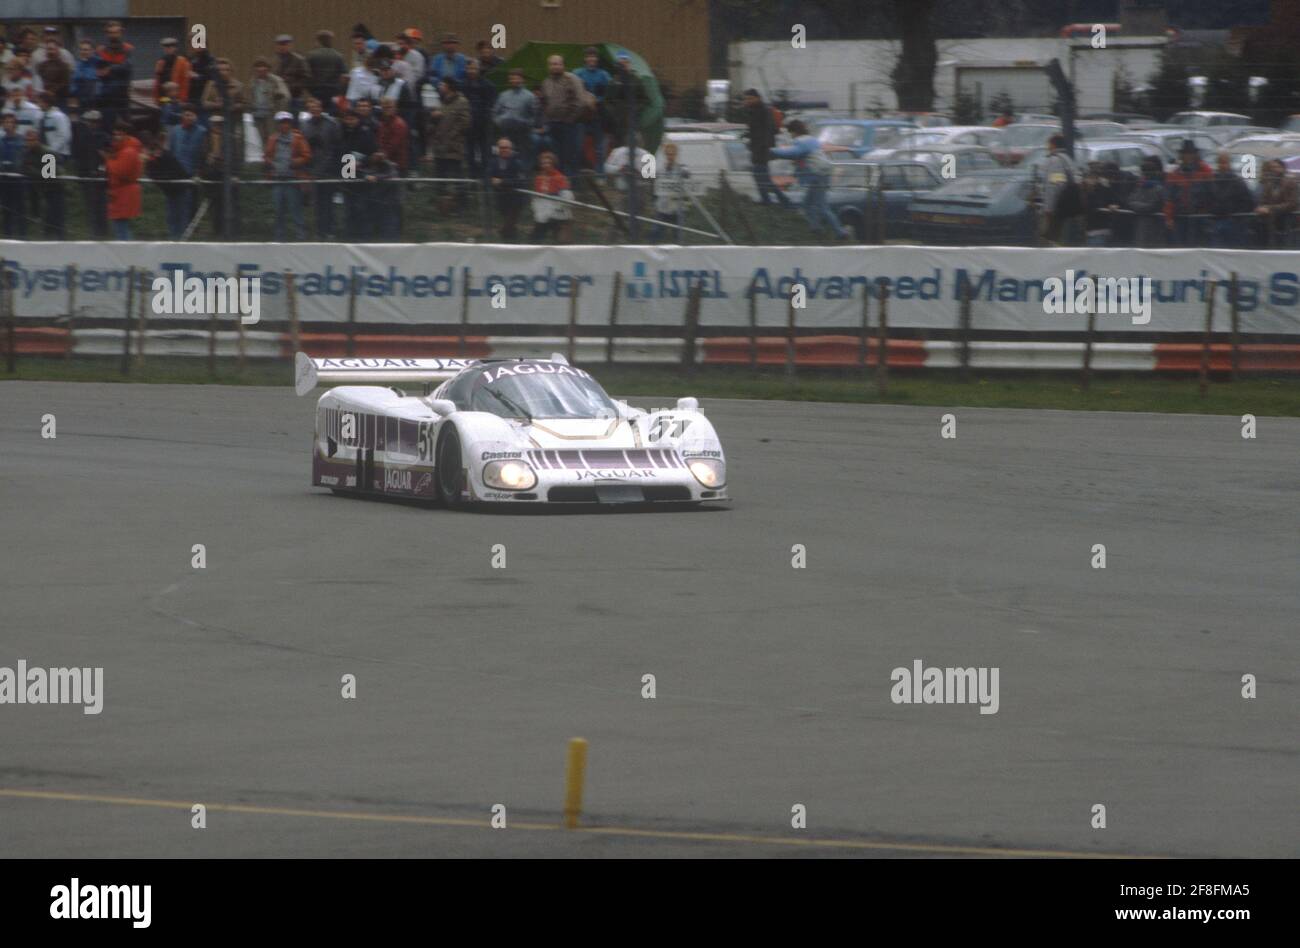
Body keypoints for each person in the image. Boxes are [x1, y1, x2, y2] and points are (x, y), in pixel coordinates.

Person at [771, 118, 846, 240]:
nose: (791, 136)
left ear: (794, 131)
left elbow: (793, 153)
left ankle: (840, 232)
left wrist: (773, 151)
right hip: (822, 173)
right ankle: (815, 228)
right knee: (807, 203)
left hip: (818, 175)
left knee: (821, 205)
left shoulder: (802, 142)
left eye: (791, 133)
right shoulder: (811, 140)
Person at [264, 110, 311, 241]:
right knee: (278, 210)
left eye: (286, 123)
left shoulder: (298, 137)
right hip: (277, 179)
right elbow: (266, 155)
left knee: (295, 209)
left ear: (290, 124)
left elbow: (306, 155)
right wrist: (270, 163)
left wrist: (296, 162)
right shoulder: (272, 138)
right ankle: (279, 237)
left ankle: (301, 236)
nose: (284, 125)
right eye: (281, 123)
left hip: (293, 179)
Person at [742, 88, 789, 207]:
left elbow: (768, 131)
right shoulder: (752, 110)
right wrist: (746, 136)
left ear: (758, 98)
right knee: (761, 177)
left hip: (762, 149)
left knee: (761, 176)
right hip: (757, 148)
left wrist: (764, 149)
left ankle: (776, 200)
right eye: (746, 99)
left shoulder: (763, 111)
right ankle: (773, 200)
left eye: (750, 98)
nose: (747, 101)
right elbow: (754, 130)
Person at [302, 97, 340, 238]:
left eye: (317, 107)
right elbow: (303, 147)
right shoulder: (304, 125)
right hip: (312, 170)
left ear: (321, 108)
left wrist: (345, 171)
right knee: (317, 203)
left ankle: (331, 230)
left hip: (329, 169)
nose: (315, 109)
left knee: (329, 202)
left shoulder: (332, 124)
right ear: (309, 110)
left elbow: (338, 147)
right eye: (312, 107)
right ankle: (319, 231)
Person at [1164, 139, 1213, 247]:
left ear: (1195, 155)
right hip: (1180, 218)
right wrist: (1169, 218)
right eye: (1186, 154)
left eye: (1191, 153)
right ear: (1182, 156)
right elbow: (1169, 199)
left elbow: (1211, 195)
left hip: (1199, 219)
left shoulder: (1205, 172)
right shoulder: (1174, 174)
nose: (1188, 156)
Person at [34, 92, 70, 237]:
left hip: (52, 157)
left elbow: (64, 135)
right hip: (45, 157)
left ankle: (57, 227)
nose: (38, 104)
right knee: (47, 189)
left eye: (40, 102)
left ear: (46, 102)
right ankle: (49, 225)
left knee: (53, 189)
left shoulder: (58, 117)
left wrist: (51, 152)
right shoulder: (41, 117)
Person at [430, 78, 470, 209]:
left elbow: (465, 123)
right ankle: (442, 204)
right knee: (440, 175)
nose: (440, 86)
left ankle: (462, 203)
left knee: (457, 176)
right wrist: (435, 117)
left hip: (453, 147)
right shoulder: (442, 101)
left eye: (442, 84)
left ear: (449, 86)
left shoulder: (462, 102)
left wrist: (452, 136)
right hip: (440, 146)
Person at [338, 108, 376, 240]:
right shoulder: (342, 133)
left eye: (352, 119)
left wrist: (361, 162)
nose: (349, 122)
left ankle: (365, 238)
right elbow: (338, 154)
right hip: (347, 178)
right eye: (347, 119)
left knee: (362, 210)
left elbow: (373, 154)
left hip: (362, 179)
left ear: (358, 119)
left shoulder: (366, 133)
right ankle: (349, 238)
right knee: (349, 211)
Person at [603, 132, 650, 238]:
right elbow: (606, 167)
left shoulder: (645, 154)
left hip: (639, 190)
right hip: (621, 190)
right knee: (617, 215)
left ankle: (635, 239)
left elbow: (652, 174)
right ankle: (612, 238)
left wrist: (639, 173)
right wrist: (620, 169)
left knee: (637, 217)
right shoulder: (617, 152)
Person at [144, 134, 191, 238]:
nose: (155, 153)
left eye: (157, 150)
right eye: (152, 151)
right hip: (169, 192)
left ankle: (183, 238)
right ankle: (173, 237)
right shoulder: (151, 163)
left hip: (180, 189)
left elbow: (178, 173)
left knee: (181, 215)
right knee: (171, 216)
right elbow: (152, 175)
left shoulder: (169, 157)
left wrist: (162, 178)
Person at [71, 108, 109, 236]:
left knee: (101, 208)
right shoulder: (82, 137)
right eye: (90, 121)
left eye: (95, 121)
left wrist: (102, 171)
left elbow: (107, 157)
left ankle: (103, 233)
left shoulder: (104, 137)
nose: (92, 124)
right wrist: (81, 175)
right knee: (91, 207)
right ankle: (94, 234)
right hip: (87, 176)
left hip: (101, 178)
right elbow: (78, 156)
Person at [1205, 151, 1255, 248]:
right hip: (1217, 221)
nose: (1222, 165)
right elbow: (1207, 199)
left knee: (1234, 251)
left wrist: (1237, 215)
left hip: (1234, 223)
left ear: (1229, 164)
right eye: (1220, 163)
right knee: (1217, 251)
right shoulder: (1212, 181)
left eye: (1225, 163)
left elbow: (1248, 201)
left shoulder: (1238, 181)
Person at [1038, 133, 1080, 246]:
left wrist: (1048, 208)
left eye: (1049, 144)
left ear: (1053, 145)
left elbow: (1055, 184)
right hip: (1065, 206)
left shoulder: (1055, 161)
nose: (1047, 147)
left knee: (1050, 240)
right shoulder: (1067, 159)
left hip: (1056, 209)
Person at [103, 120, 142, 240]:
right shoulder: (123, 150)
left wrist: (108, 161)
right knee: (121, 227)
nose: (116, 137)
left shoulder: (128, 152)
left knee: (121, 229)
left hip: (124, 193)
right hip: (121, 192)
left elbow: (121, 172)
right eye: (115, 134)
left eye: (119, 134)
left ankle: (127, 254)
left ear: (126, 135)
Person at [574, 47, 611, 171]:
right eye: (589, 56)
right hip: (581, 116)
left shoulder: (604, 75)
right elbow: (572, 91)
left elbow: (610, 94)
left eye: (594, 56)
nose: (591, 59)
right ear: (585, 58)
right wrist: (586, 98)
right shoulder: (577, 73)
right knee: (578, 145)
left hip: (598, 116)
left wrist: (596, 100)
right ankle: (578, 173)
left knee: (599, 148)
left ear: (597, 59)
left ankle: (600, 173)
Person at [493, 68, 537, 169]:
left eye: (517, 78)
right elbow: (495, 112)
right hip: (505, 130)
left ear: (522, 80)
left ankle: (523, 179)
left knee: (522, 157)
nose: (514, 81)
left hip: (522, 131)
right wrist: (499, 122)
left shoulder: (530, 96)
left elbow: (534, 114)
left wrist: (528, 125)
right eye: (512, 79)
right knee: (506, 156)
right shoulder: (503, 95)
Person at [604, 50, 647, 153]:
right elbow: (607, 101)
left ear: (630, 64)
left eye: (626, 62)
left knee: (634, 147)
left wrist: (636, 109)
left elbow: (644, 99)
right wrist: (614, 113)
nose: (624, 65)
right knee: (619, 149)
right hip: (618, 124)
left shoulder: (636, 80)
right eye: (621, 63)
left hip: (632, 122)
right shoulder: (613, 81)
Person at [95, 21, 133, 132]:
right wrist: (117, 68)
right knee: (106, 126)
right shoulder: (101, 50)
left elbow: (127, 67)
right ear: (107, 34)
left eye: (116, 32)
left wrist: (110, 68)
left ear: (121, 33)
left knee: (126, 126)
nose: (114, 35)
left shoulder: (128, 49)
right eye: (111, 32)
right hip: (106, 96)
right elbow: (100, 71)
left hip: (122, 94)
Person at [462, 58, 497, 179]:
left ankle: (486, 177)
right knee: (470, 153)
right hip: (469, 124)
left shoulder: (488, 85)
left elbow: (490, 105)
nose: (472, 71)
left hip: (483, 124)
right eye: (469, 68)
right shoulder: (463, 85)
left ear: (479, 69)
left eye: (474, 68)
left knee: (485, 152)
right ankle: (472, 177)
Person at [649, 140, 690, 243]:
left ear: (676, 154)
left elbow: (687, 174)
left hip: (677, 207)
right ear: (665, 155)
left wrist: (684, 172)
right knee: (655, 232)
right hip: (662, 207)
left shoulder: (682, 167)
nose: (670, 156)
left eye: (672, 154)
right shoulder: (660, 169)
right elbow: (655, 186)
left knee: (678, 236)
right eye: (668, 154)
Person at [487, 137, 526, 240]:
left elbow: (521, 181)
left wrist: (502, 181)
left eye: (506, 147)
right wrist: (491, 180)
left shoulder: (518, 162)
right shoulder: (493, 162)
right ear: (497, 149)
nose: (504, 150)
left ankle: (507, 240)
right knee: (510, 225)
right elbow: (487, 176)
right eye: (501, 147)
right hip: (501, 198)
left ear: (511, 148)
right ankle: (512, 242)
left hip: (516, 198)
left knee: (508, 224)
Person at [1126, 155, 1168, 248]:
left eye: (1147, 172)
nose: (1145, 175)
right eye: (1144, 172)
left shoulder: (1159, 188)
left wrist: (1140, 207)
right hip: (1141, 227)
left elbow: (1154, 205)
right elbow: (1131, 201)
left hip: (1156, 228)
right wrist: (1143, 207)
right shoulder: (1139, 186)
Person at [1255, 158, 1298, 248]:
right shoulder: (1269, 184)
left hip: (1286, 222)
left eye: (1276, 167)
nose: (1274, 169)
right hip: (1271, 224)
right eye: (1272, 167)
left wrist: (1270, 209)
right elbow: (1263, 200)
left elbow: (1292, 204)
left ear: (1283, 168)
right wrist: (1260, 208)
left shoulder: (1291, 183)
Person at [530, 150, 571, 242]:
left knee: (560, 239)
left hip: (557, 212)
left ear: (553, 163)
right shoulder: (538, 178)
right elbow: (536, 196)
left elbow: (566, 196)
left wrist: (558, 208)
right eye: (543, 163)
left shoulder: (560, 177)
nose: (546, 165)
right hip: (542, 211)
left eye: (549, 163)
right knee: (536, 237)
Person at [248, 57, 290, 145]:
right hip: (257, 113)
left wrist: (279, 111)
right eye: (258, 66)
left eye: (263, 66)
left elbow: (285, 96)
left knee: (273, 137)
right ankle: (266, 156)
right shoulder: (253, 81)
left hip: (271, 114)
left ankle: (275, 156)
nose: (261, 69)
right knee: (262, 139)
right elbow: (251, 96)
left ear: (268, 68)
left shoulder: (276, 80)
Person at [362, 149, 400, 239]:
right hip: (375, 200)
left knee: (389, 224)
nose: (375, 157)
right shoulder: (369, 164)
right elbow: (359, 172)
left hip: (388, 201)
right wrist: (366, 176)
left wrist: (376, 177)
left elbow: (392, 175)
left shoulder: (388, 165)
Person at [306, 30, 346, 111]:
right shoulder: (338, 56)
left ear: (318, 41)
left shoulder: (311, 55)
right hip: (333, 91)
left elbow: (306, 75)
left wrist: (310, 90)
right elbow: (344, 76)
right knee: (332, 115)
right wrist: (339, 90)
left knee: (316, 113)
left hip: (316, 91)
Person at [0, 113, 24, 236]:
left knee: (19, 208)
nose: (8, 124)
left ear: (15, 124)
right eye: (5, 122)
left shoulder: (21, 140)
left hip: (18, 179)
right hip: (4, 179)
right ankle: (7, 234)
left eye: (10, 122)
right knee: (6, 209)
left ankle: (22, 235)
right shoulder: (1, 141)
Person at [273, 34, 311, 111]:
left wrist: (293, 87)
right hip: (279, 98)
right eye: (280, 45)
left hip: (294, 97)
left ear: (290, 45)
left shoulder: (299, 60)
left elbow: (306, 78)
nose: (282, 47)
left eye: (285, 44)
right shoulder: (275, 61)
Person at [154, 37, 190, 105]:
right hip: (164, 97)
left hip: (177, 97)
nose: (168, 49)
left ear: (175, 48)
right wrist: (157, 98)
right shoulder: (161, 62)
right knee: (166, 108)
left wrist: (182, 99)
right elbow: (158, 81)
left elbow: (185, 81)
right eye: (166, 47)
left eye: (170, 47)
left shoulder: (182, 62)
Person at [71, 40, 101, 109]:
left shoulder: (99, 63)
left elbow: (99, 80)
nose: (83, 52)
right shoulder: (78, 64)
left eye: (86, 50)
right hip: (82, 101)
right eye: (81, 50)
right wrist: (74, 92)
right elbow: (74, 80)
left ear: (92, 51)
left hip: (96, 101)